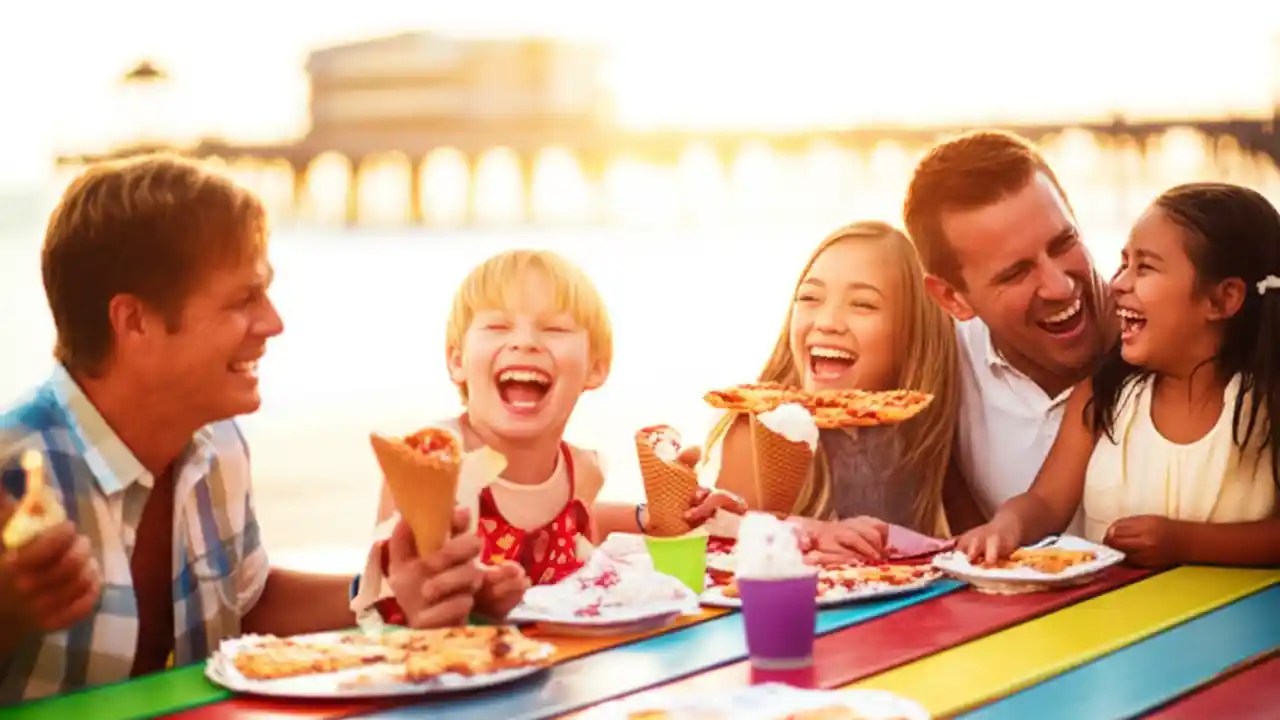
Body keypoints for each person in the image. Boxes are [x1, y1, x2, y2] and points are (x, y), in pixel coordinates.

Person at [0, 155, 483, 703]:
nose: (274, 323)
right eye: (243, 299)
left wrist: (389, 593)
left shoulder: (218, 443)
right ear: (134, 322)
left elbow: (248, 603)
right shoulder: (13, 470)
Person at [360, 249, 744, 624]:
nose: (524, 342)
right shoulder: (433, 466)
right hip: (451, 668)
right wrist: (473, 598)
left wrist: (657, 516)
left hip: (562, 675)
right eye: (497, 326)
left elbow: (573, 521)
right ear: (457, 360)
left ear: (596, 368)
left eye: (554, 328)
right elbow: (383, 602)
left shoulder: (583, 471)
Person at [958, 182, 1280, 567]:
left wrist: (1186, 544)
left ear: (1222, 299)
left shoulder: (1266, 401)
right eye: (1124, 262)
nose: (1117, 283)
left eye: (1144, 267)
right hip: (1114, 622)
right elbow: (1045, 501)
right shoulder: (1103, 393)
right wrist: (1008, 524)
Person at [701, 221, 961, 561]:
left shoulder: (933, 433)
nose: (827, 321)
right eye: (809, 297)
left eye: (863, 305)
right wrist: (802, 538)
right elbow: (724, 549)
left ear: (915, 334)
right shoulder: (757, 432)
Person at [903, 130, 1115, 532]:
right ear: (952, 299)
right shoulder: (941, 370)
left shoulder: (1183, 336)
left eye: (1063, 242)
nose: (1060, 286)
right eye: (1017, 272)